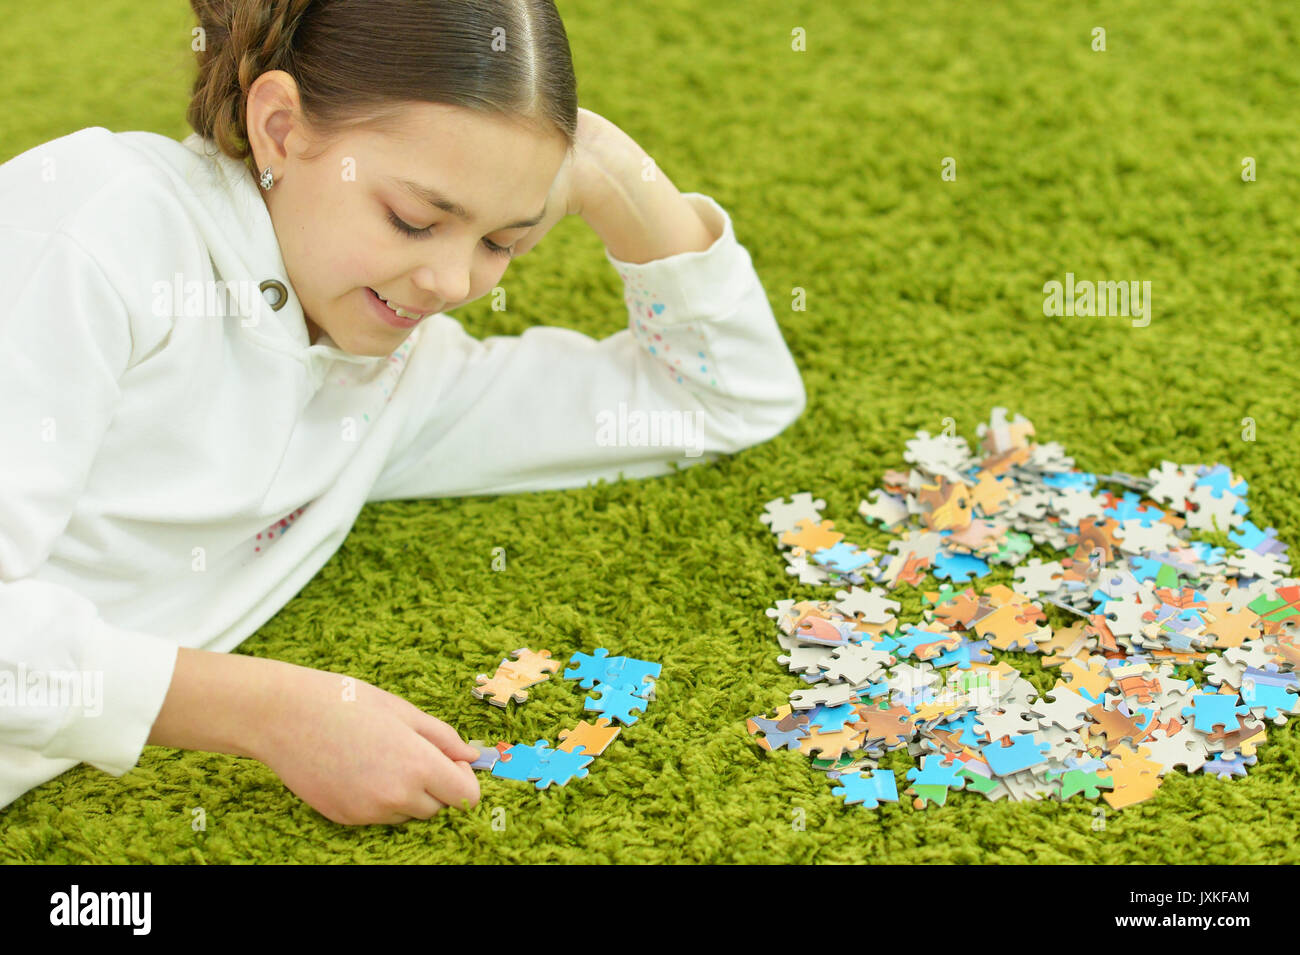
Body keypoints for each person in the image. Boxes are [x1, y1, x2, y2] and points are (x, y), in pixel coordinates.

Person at [0, 0, 805, 825]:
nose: (452, 284)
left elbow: (721, 396)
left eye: (501, 242)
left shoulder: (395, 370)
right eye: (414, 220)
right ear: (279, 129)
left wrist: (609, 168)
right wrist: (276, 713)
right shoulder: (95, 225)